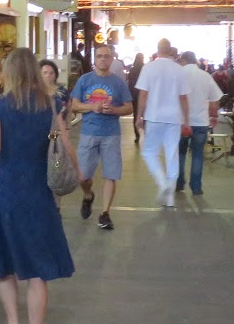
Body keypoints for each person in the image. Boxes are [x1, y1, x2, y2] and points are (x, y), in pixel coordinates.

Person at [0, 48, 76, 324]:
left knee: (5, 261)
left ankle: (12, 322)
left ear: (9, 72)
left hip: (9, 188)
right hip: (40, 189)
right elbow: (59, 146)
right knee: (38, 267)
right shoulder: (51, 104)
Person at [69, 44, 133, 230]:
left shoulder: (119, 83)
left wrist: (114, 110)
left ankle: (105, 213)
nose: (103, 59)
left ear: (112, 59)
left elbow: (129, 108)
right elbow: (74, 105)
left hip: (111, 134)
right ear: (94, 59)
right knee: (83, 176)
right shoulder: (84, 80)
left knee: (110, 175)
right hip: (89, 133)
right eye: (99, 56)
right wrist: (92, 107)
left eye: (106, 56)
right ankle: (88, 195)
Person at [134, 38, 190, 207]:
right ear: (171, 51)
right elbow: (183, 97)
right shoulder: (179, 69)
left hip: (154, 116)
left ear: (157, 49)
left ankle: (162, 183)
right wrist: (186, 119)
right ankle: (170, 197)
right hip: (174, 118)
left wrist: (139, 116)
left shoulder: (148, 68)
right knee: (172, 154)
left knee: (149, 152)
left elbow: (143, 95)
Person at [175, 50, 223, 196]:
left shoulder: (178, 76)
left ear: (183, 60)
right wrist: (213, 115)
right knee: (197, 155)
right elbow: (215, 99)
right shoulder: (205, 76)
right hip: (200, 122)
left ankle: (179, 183)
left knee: (180, 153)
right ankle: (196, 187)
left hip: (181, 122)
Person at [125, 52, 146, 145]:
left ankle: (137, 135)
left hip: (134, 95)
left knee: (136, 115)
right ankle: (147, 133)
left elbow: (129, 82)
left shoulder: (132, 70)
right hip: (144, 95)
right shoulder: (145, 69)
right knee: (146, 115)